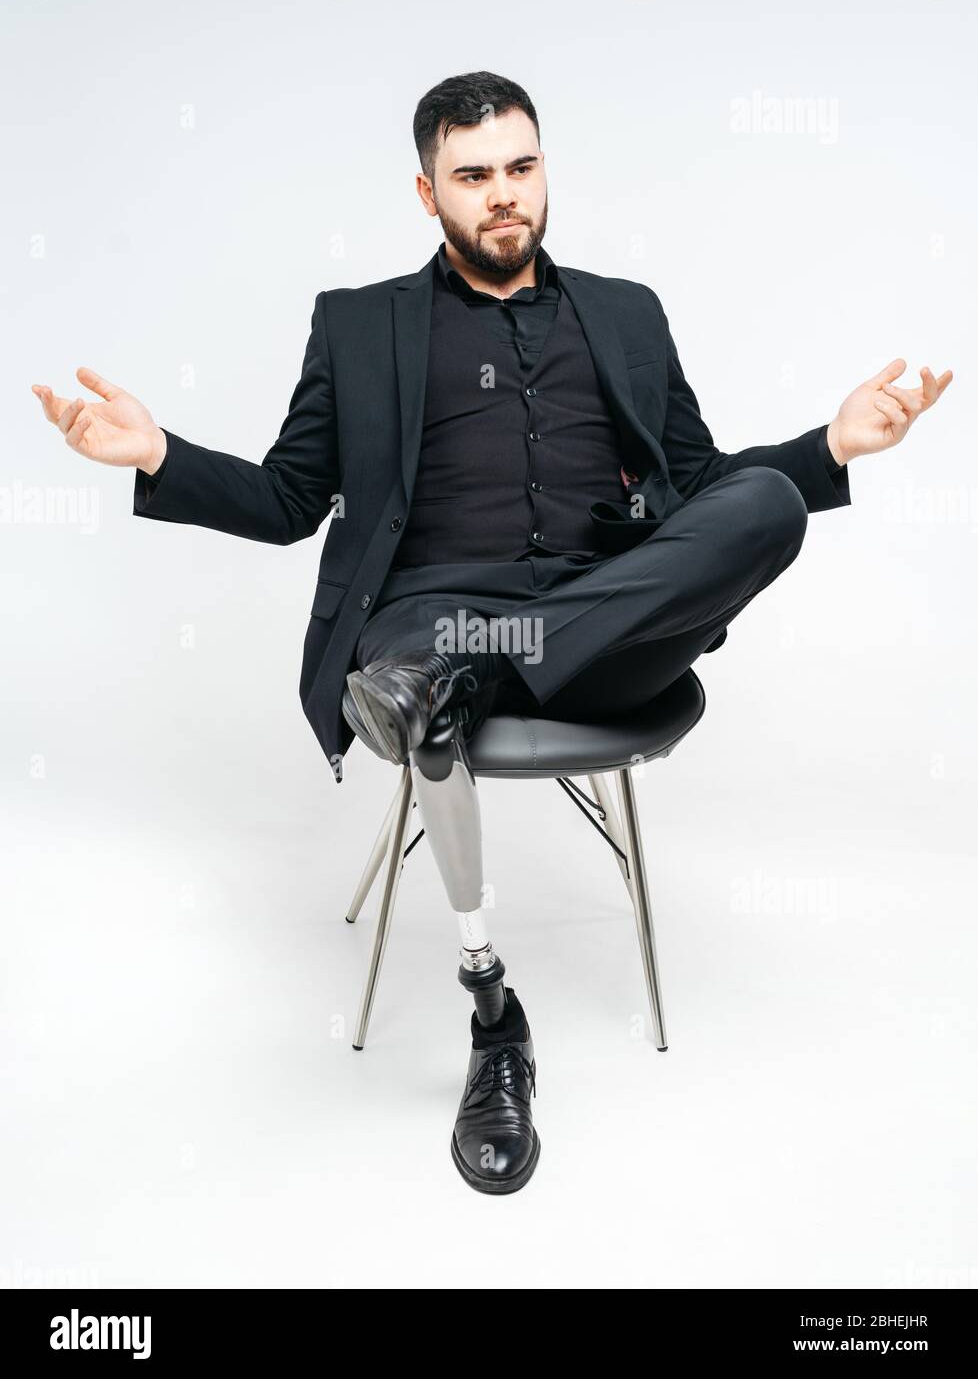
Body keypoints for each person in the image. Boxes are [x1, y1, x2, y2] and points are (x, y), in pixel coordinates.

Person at [33, 71, 952, 1196]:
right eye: (474, 176)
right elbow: (288, 501)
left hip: (592, 629)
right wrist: (158, 455)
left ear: (543, 170)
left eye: (521, 167)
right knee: (434, 652)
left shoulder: (627, 312)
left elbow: (706, 486)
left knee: (765, 506)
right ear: (428, 193)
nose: (504, 195)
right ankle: (490, 1011)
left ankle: (453, 675)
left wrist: (832, 448)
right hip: (427, 615)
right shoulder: (359, 323)